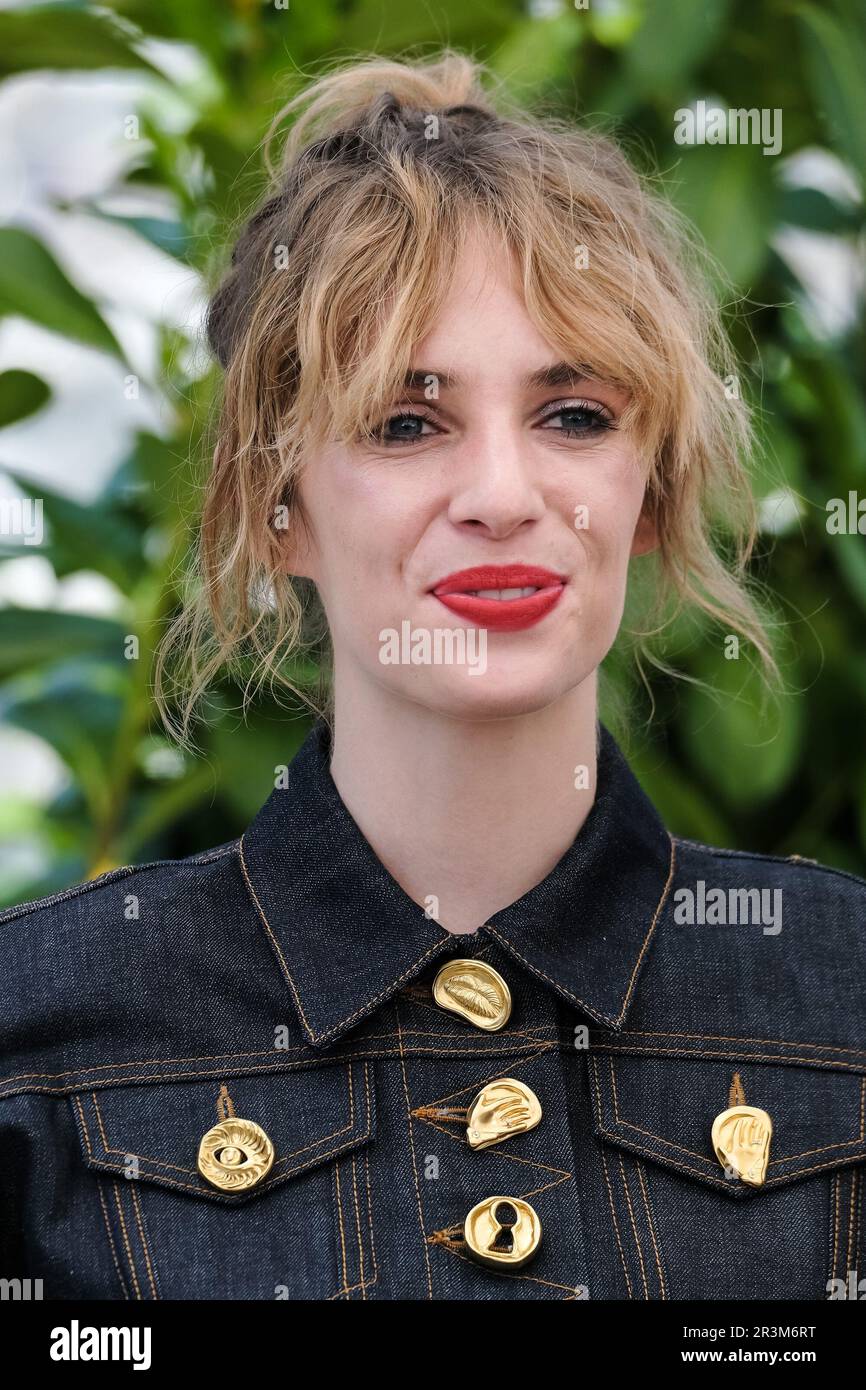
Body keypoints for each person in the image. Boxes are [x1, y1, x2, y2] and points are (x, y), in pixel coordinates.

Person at [1, 51, 864, 1303]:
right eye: (407, 422)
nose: (503, 497)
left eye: (573, 414)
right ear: (274, 506)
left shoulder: (838, 994)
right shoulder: (40, 1032)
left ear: (648, 490)